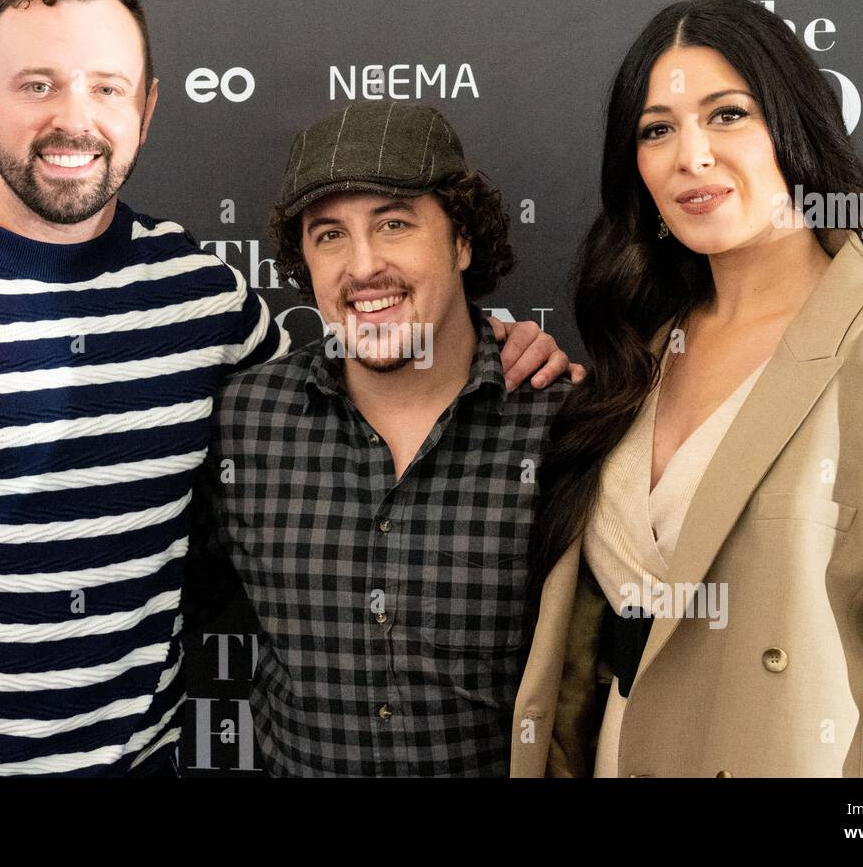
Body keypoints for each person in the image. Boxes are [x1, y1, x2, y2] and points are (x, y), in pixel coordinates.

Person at [0, 0, 569, 778]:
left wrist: (484, 344)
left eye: (107, 87)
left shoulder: (206, 303)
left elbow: (369, 364)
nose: (75, 119)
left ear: (146, 106)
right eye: (38, 85)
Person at [513, 0, 863, 778]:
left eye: (726, 115)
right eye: (657, 130)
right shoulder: (636, 351)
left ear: (793, 126)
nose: (692, 156)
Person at [186, 100, 575, 776]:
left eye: (394, 224)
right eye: (329, 235)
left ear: (462, 239)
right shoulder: (244, 420)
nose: (363, 267)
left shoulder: (562, 424)